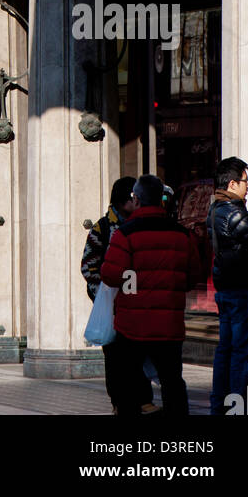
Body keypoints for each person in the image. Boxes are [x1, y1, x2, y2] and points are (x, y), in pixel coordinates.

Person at [100, 173, 200, 417]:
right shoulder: (183, 235)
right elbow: (192, 276)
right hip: (169, 325)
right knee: (172, 382)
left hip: (132, 325)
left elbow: (110, 274)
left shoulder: (125, 234)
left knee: (128, 383)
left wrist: (134, 283)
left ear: (137, 199)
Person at [81, 176, 153, 413]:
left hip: (137, 304)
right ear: (125, 201)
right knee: (114, 357)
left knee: (138, 353)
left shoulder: (141, 224)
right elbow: (88, 265)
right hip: (113, 306)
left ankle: (143, 399)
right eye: (134, 198)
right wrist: (103, 292)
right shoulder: (102, 228)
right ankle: (119, 403)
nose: (137, 202)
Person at [206, 155, 248, 416]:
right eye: (245, 181)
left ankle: (221, 406)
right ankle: (237, 408)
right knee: (242, 355)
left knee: (226, 353)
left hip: (228, 291)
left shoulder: (216, 210)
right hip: (242, 292)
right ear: (231, 184)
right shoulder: (233, 211)